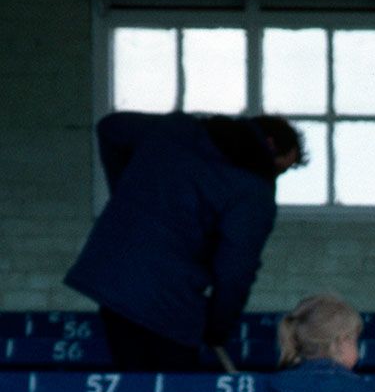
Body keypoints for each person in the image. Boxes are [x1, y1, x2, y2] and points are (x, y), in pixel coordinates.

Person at [66, 111, 305, 371]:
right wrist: (216, 330)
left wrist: (126, 192)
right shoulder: (253, 191)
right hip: (170, 299)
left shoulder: (178, 130)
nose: (276, 177)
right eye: (281, 169)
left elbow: (111, 127)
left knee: (133, 383)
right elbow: (235, 273)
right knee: (174, 391)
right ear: (270, 145)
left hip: (114, 280)